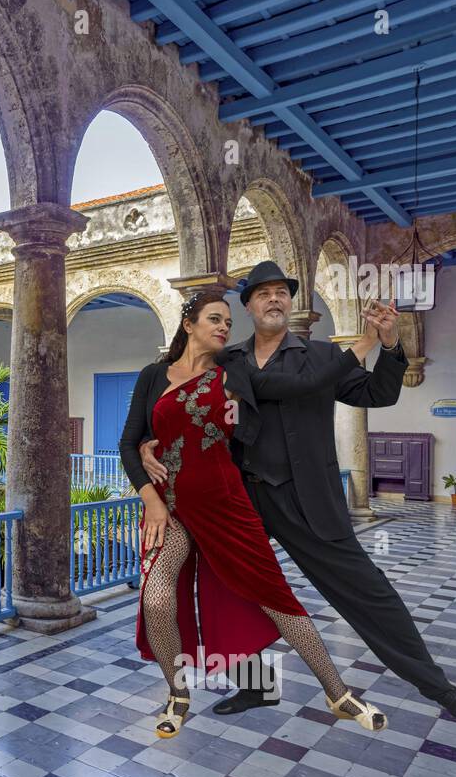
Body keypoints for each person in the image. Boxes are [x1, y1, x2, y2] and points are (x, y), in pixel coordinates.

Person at [137, 261, 456, 723]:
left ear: (292, 303)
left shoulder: (320, 356)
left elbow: (378, 395)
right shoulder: (228, 361)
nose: (273, 299)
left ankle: (438, 686)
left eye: (282, 292)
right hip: (239, 498)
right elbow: (178, 407)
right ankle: (258, 688)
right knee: (230, 592)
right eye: (263, 294)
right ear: (249, 307)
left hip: (308, 499)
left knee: (367, 590)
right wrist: (145, 442)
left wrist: (390, 343)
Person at [119, 289, 388, 738]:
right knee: (157, 597)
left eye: (228, 321)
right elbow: (130, 442)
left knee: (277, 597)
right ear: (189, 325)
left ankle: (337, 692)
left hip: (226, 506)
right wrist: (149, 496)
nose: (225, 327)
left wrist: (365, 342)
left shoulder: (234, 373)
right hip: (171, 507)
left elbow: (302, 385)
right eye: (214, 319)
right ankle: (177, 694)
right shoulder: (153, 376)